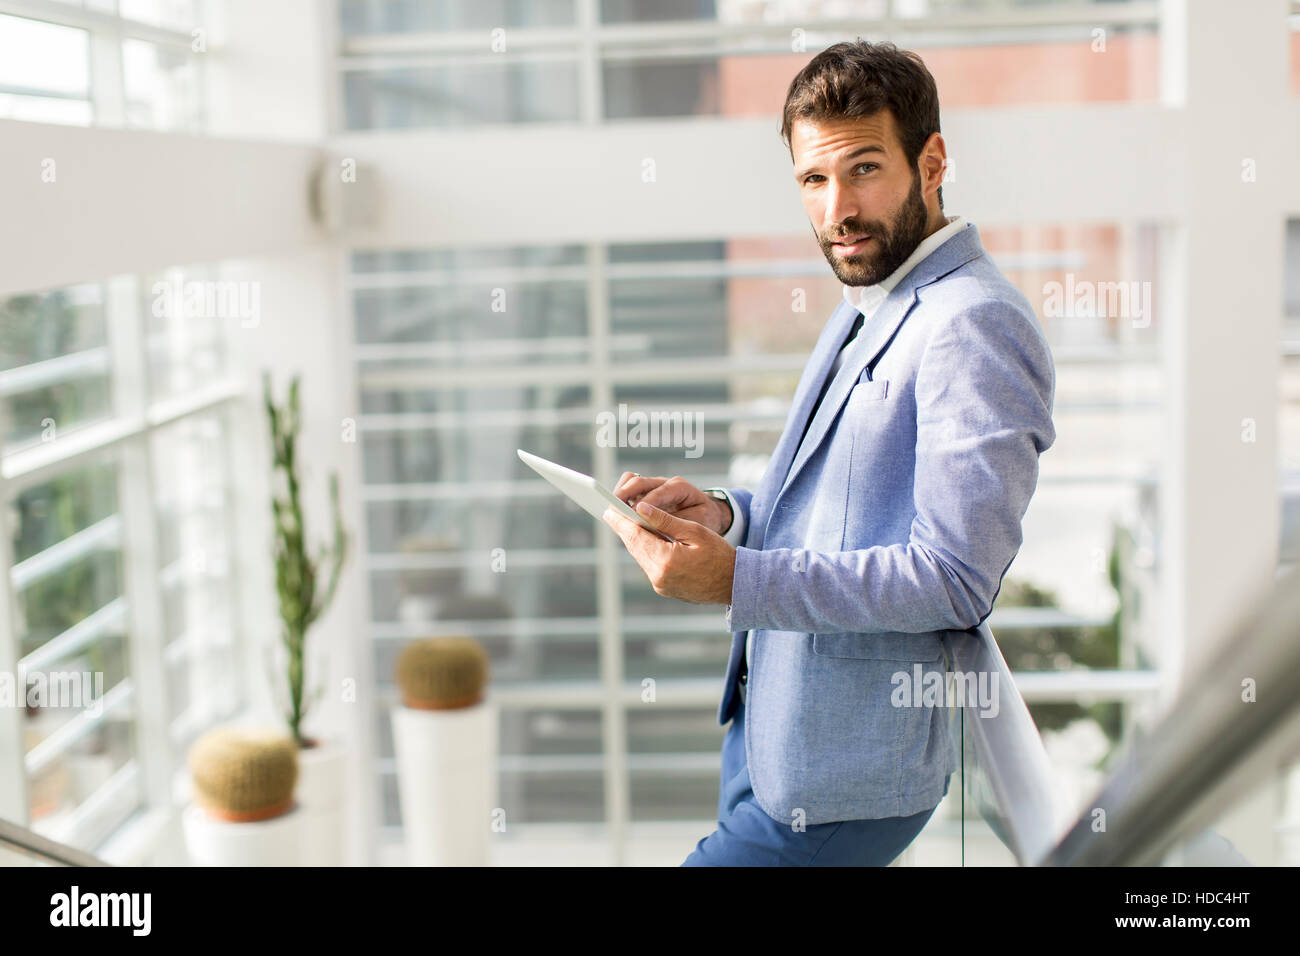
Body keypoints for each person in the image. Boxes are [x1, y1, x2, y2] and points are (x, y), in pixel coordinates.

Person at [602, 40, 1056, 866]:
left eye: (864, 169)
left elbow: (954, 579)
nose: (837, 208)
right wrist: (729, 516)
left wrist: (738, 578)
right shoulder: (872, 295)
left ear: (933, 161)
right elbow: (838, 499)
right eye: (814, 180)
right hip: (772, 729)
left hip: (842, 779)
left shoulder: (973, 323)